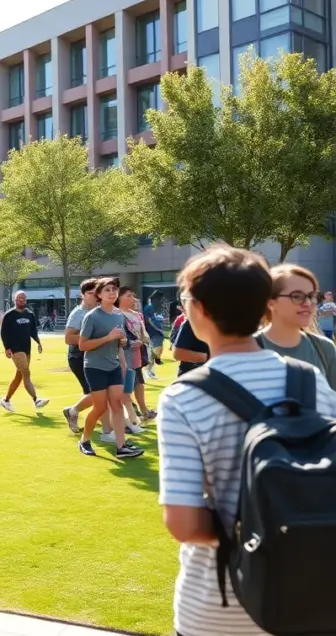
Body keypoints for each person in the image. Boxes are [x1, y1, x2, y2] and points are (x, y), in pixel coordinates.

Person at [157, 246, 336, 636]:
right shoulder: (310, 379)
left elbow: (184, 523)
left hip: (220, 603)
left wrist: (259, 527)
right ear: (264, 307)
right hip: (315, 591)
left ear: (199, 310)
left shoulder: (184, 397)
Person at [76, 279, 142, 458]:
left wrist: (122, 344)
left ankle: (121, 447)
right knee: (100, 407)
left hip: (113, 366)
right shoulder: (92, 316)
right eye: (107, 290)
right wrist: (108, 337)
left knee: (117, 405)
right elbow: (82, 346)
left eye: (114, 290)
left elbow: (119, 342)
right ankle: (84, 440)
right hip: (95, 367)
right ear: (99, 295)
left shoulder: (119, 315)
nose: (112, 293)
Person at [257, 264, 336, 389]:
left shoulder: (324, 348)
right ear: (271, 303)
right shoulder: (247, 348)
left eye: (311, 296)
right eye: (297, 296)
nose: (308, 303)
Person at [0, 291, 49, 412]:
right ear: (15, 300)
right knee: (26, 373)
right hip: (15, 349)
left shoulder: (29, 314)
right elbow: (3, 332)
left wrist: (38, 342)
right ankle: (36, 400)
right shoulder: (9, 315)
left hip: (27, 348)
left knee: (19, 376)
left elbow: (33, 331)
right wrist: (7, 348)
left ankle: (6, 400)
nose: (22, 300)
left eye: (24, 298)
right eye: (19, 298)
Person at [62, 278, 98, 433]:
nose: (94, 296)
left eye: (96, 293)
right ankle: (73, 410)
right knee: (97, 393)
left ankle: (110, 426)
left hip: (96, 356)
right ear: (82, 295)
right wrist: (95, 339)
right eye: (90, 293)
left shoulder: (99, 311)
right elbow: (68, 338)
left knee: (98, 393)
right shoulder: (78, 314)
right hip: (79, 357)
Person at [119, 285, 155, 423]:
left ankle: (142, 411)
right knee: (125, 387)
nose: (133, 299)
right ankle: (129, 418)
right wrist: (130, 342)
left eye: (133, 296)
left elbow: (143, 333)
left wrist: (143, 340)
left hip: (137, 355)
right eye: (128, 296)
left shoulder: (137, 314)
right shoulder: (117, 314)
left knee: (139, 382)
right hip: (124, 356)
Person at [143, 291, 166, 379]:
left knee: (158, 351)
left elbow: (160, 319)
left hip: (160, 333)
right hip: (153, 333)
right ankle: (149, 370)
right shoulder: (149, 308)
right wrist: (158, 329)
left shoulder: (158, 308)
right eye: (159, 298)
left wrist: (162, 329)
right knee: (155, 351)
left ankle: (150, 370)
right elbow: (149, 320)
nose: (161, 300)